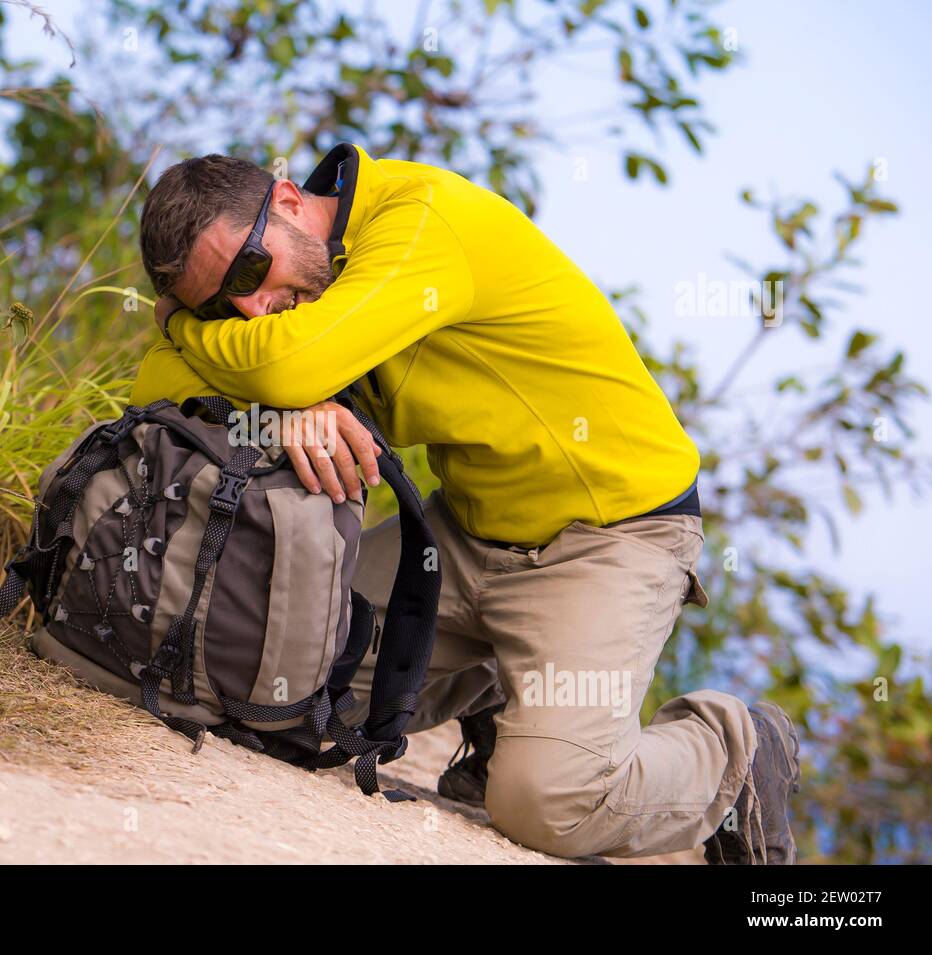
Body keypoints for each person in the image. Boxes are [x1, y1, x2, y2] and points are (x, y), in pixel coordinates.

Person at [129, 141, 800, 863]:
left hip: (609, 534)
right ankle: (503, 691)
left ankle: (738, 747)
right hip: (465, 532)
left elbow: (288, 361)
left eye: (251, 271)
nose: (253, 308)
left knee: (551, 802)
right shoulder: (308, 287)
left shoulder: (421, 221)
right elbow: (158, 393)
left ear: (289, 201)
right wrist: (281, 410)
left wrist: (184, 325)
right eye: (221, 306)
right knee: (269, 695)